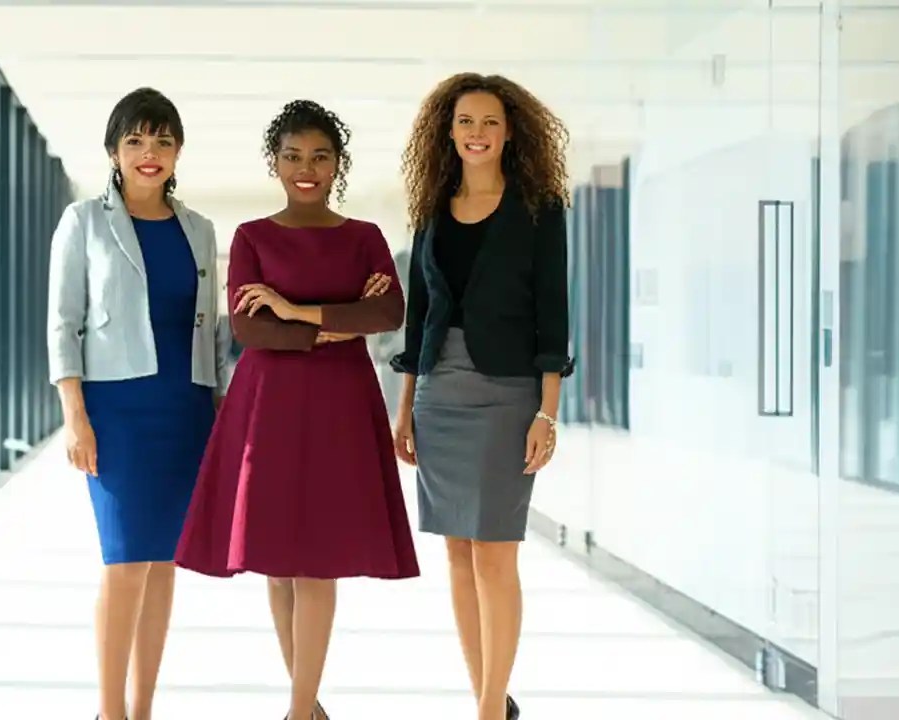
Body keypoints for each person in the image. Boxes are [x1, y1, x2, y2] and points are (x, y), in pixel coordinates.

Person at [175, 99, 420, 720]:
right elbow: (251, 332)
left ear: (338, 163)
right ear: (274, 163)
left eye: (319, 157)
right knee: (279, 565)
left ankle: (298, 711)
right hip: (269, 408)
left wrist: (293, 310)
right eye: (292, 157)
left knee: (318, 561)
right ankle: (307, 708)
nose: (305, 168)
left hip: (340, 406)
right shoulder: (252, 237)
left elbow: (387, 315)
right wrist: (336, 324)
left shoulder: (365, 237)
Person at [390, 73, 574, 720]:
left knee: (495, 552)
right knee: (457, 554)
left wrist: (547, 412)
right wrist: (405, 406)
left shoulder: (540, 210)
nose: (477, 133)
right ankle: (486, 698)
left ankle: (491, 709)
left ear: (510, 131)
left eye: (489, 122)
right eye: (466, 121)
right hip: (440, 395)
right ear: (449, 130)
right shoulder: (431, 211)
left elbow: (554, 319)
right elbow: (418, 317)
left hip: (507, 396)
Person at [46, 87, 227, 720]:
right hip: (116, 413)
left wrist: (224, 413)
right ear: (114, 150)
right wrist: (76, 417)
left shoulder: (200, 230)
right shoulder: (83, 222)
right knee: (125, 560)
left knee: (164, 561)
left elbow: (213, 330)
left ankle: (144, 709)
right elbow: (62, 325)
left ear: (178, 152)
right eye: (136, 140)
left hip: (187, 409)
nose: (150, 153)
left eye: (163, 140)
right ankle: (109, 712)